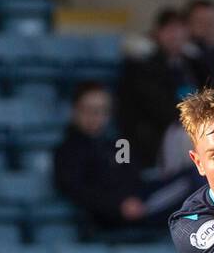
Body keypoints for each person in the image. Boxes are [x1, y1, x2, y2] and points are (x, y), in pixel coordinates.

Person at [54, 81, 197, 235]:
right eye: (89, 110)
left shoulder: (117, 144)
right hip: (115, 215)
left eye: (102, 111)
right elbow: (77, 189)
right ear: (75, 110)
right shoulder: (68, 150)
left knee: (195, 174)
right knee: (193, 183)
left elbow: (131, 173)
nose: (96, 117)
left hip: (137, 197)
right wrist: (118, 205)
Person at [116, 7, 202, 169]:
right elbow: (158, 108)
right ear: (158, 33)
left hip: (195, 124)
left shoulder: (194, 63)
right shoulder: (143, 65)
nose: (175, 35)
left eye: (180, 30)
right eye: (169, 30)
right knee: (189, 136)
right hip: (162, 134)